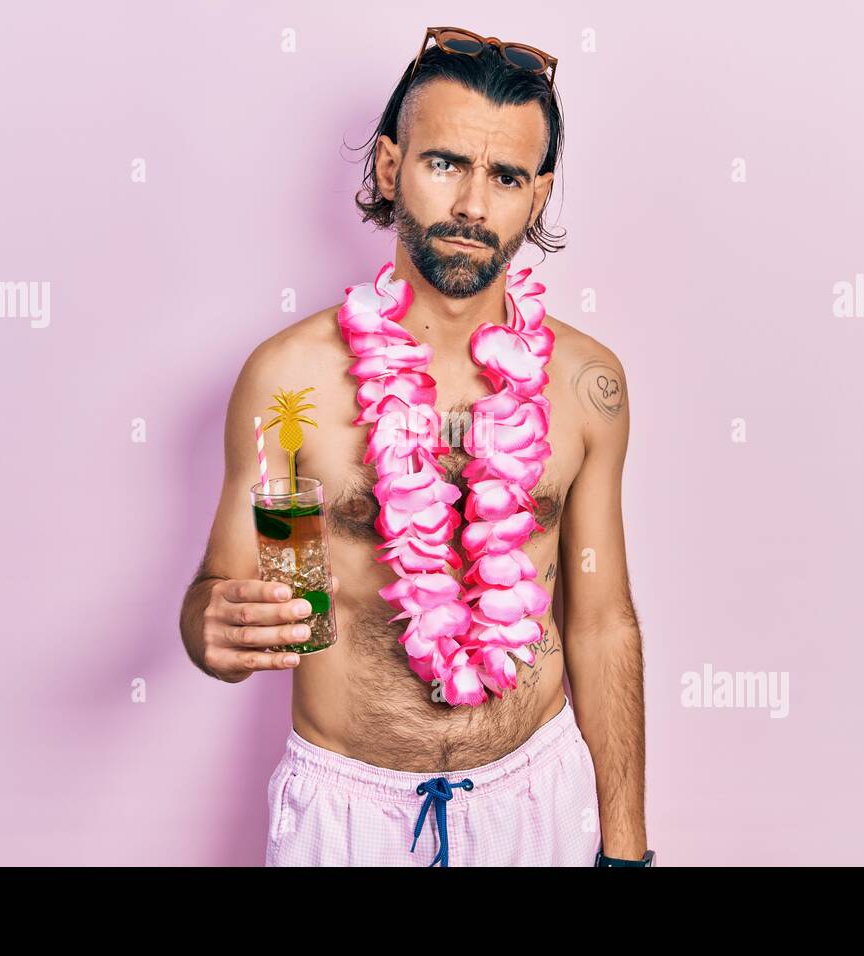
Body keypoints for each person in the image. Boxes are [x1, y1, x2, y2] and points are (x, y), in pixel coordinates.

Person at [179, 26, 651, 867]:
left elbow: (603, 621)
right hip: (348, 814)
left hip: (536, 800)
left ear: (537, 197)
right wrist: (211, 626)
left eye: (506, 177)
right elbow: (227, 589)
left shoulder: (587, 385)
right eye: (445, 163)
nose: (472, 205)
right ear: (391, 167)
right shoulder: (290, 381)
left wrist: (626, 852)